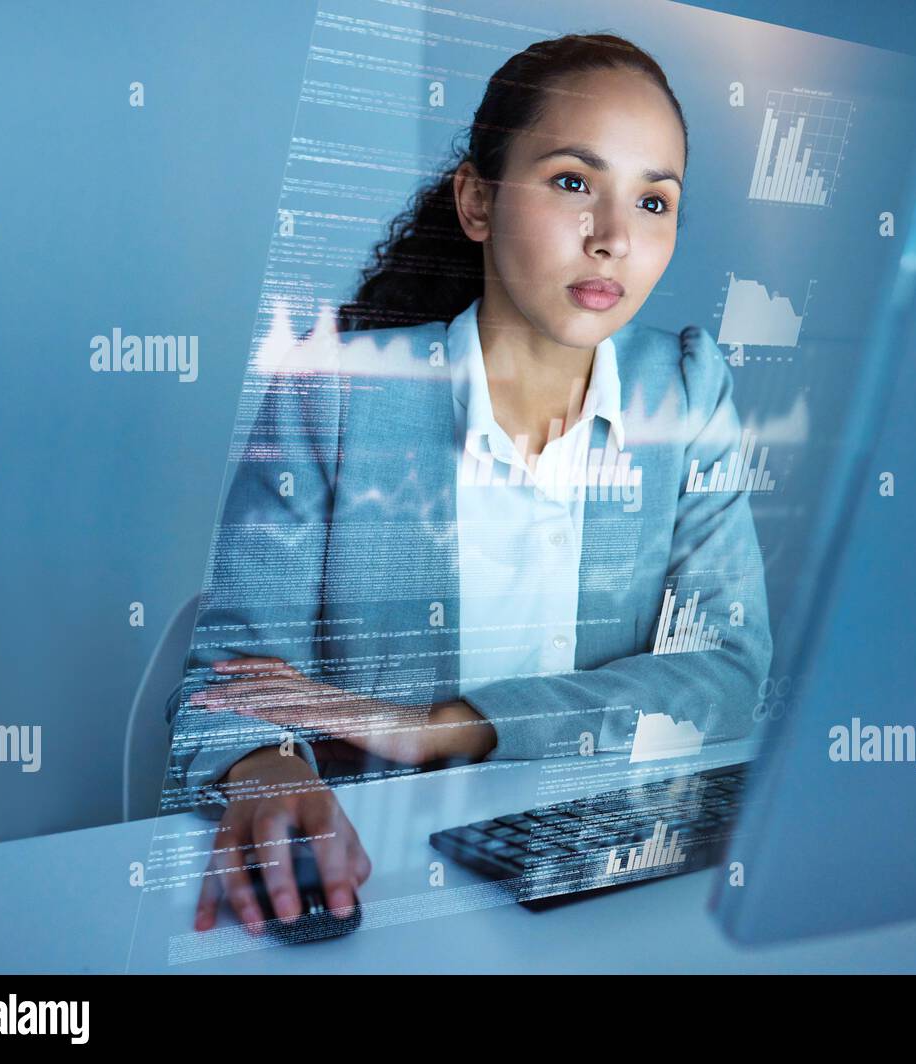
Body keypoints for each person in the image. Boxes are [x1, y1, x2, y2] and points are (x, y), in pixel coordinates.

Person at [167, 32, 772, 934]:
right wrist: (270, 767)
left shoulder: (685, 392)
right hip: (390, 885)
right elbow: (231, 682)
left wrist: (442, 726)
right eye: (573, 182)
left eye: (654, 201)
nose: (613, 238)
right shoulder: (333, 394)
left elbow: (726, 674)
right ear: (478, 201)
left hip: (598, 885)